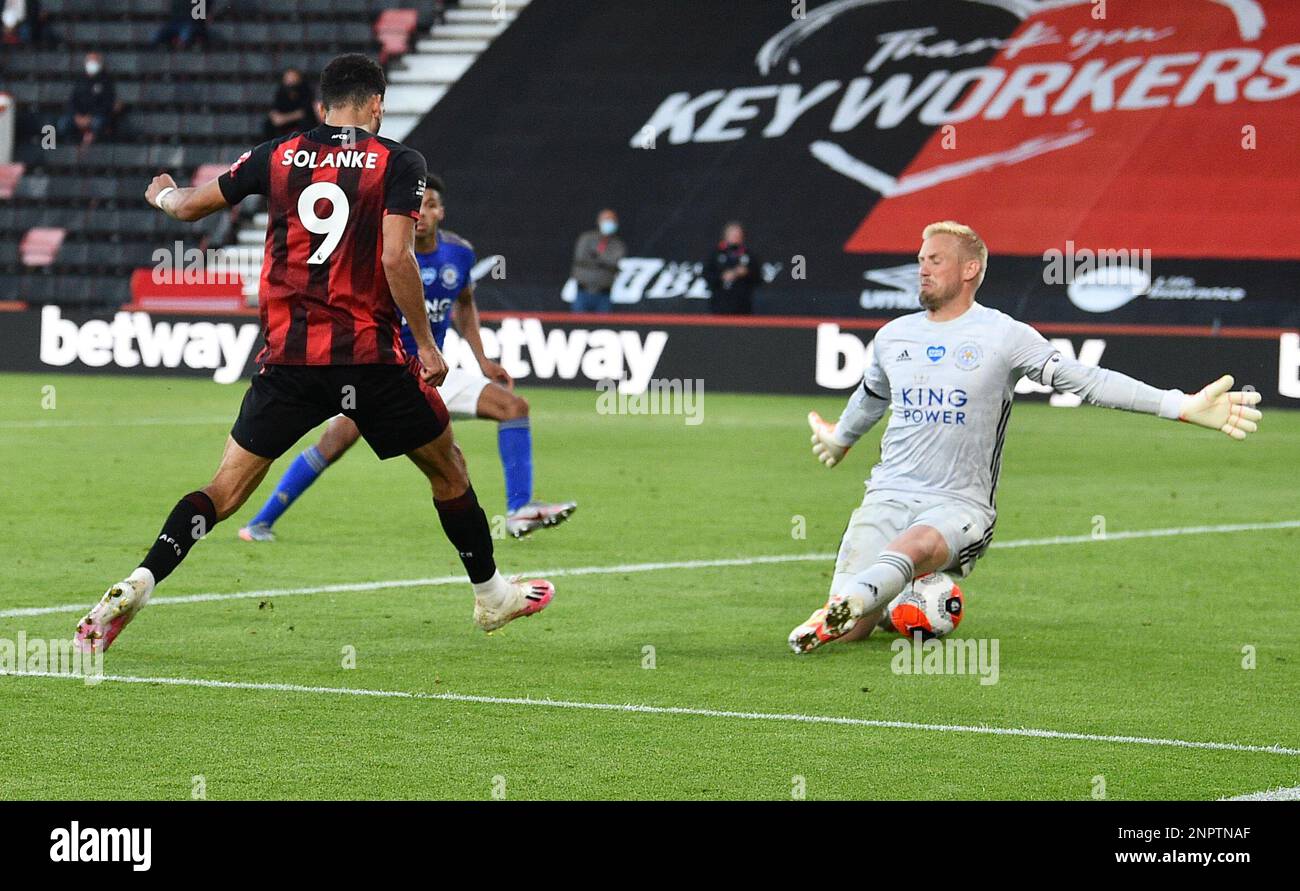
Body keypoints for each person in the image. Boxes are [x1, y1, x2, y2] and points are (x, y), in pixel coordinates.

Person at [74, 54, 554, 655]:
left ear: (322, 106)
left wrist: (166, 197)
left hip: (287, 361)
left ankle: (143, 578)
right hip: (370, 359)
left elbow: (194, 206)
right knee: (447, 466)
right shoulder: (399, 162)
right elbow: (395, 258)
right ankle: (490, 596)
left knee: (222, 491)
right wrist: (427, 344)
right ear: (376, 104)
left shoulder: (277, 155)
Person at [789, 220, 1262, 654]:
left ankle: (847, 603)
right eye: (920, 261)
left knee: (914, 548)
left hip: (958, 504)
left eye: (935, 260)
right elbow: (872, 395)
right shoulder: (894, 336)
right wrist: (841, 439)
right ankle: (885, 607)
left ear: (970, 268)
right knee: (853, 635)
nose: (923, 269)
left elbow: (1086, 381)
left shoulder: (1004, 335)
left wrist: (1178, 405)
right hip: (887, 494)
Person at [237, 173, 577, 542]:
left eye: (431, 206)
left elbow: (464, 303)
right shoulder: (386, 255)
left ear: (442, 211)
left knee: (514, 407)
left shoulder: (460, 253)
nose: (423, 214)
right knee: (335, 442)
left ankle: (518, 510)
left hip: (434, 374)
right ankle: (260, 521)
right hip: (383, 374)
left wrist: (483, 361)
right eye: (417, 207)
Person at [57, 52, 119, 146]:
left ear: (100, 64)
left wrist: (89, 118)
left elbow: (107, 104)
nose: (91, 63)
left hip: (97, 116)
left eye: (95, 61)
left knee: (98, 124)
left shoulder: (107, 82)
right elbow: (72, 101)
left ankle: (94, 146)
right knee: (63, 124)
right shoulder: (80, 80)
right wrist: (77, 116)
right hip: (78, 116)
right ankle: (71, 147)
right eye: (90, 60)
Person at [570, 208, 624, 313]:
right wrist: (604, 260)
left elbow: (613, 261)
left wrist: (595, 255)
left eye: (611, 220)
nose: (609, 223)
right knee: (578, 325)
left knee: (603, 327)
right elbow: (580, 257)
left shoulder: (618, 244)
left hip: (604, 294)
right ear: (599, 221)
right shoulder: (586, 238)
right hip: (583, 291)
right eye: (606, 220)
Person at [703, 221, 760, 315]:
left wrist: (747, 272)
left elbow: (758, 278)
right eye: (733, 235)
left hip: (743, 306)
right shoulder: (715, 254)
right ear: (726, 236)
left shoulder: (749, 255)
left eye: (738, 235)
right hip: (719, 305)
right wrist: (722, 277)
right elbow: (707, 275)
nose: (735, 238)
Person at [264, 68, 318, 140]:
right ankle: (271, 149)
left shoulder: (306, 91)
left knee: (307, 123)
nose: (290, 81)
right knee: (268, 124)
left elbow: (304, 112)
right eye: (288, 79)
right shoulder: (281, 92)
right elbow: (275, 110)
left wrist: (284, 119)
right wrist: (276, 117)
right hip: (284, 121)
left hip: (300, 121)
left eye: (293, 78)